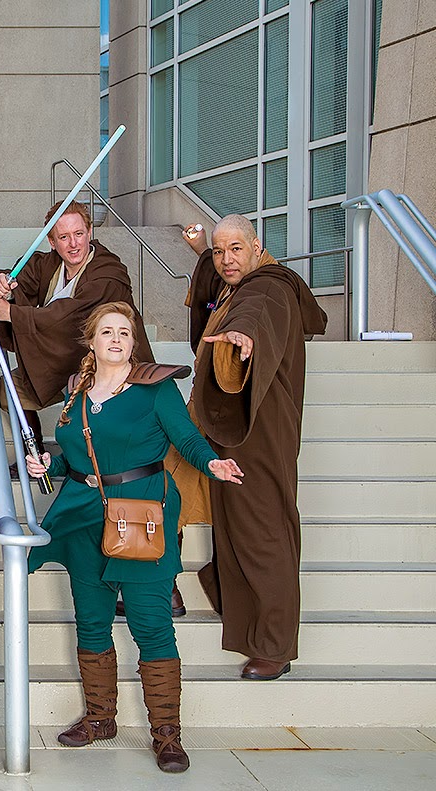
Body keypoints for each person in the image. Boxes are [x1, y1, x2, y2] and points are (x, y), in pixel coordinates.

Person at [25, 301, 243, 773]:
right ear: (92, 341)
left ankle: (167, 735)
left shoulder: (155, 388)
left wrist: (211, 463)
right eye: (108, 332)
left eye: (125, 331)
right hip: (85, 517)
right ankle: (100, 719)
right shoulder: (77, 392)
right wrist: (49, 464)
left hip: (142, 515)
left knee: (151, 626)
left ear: (133, 341)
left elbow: (185, 438)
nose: (118, 339)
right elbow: (79, 458)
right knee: (92, 622)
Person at [178, 215, 327, 681]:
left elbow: (255, 314)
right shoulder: (236, 279)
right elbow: (218, 289)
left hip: (260, 429)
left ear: (258, 247)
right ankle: (185, 587)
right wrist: (204, 251)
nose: (226, 260)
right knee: (188, 486)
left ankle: (276, 644)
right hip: (232, 422)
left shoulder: (270, 288)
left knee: (263, 527)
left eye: (235, 249)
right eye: (220, 252)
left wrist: (244, 334)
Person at [0, 200, 153, 457]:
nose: (74, 244)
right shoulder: (48, 264)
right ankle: (35, 457)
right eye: (64, 237)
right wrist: (1, 284)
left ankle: (84, 463)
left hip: (107, 370)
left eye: (79, 234)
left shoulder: (108, 272)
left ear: (89, 232)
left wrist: (12, 313)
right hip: (61, 361)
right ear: (52, 243)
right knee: (8, 389)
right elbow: (16, 279)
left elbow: (71, 317)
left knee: (89, 411)